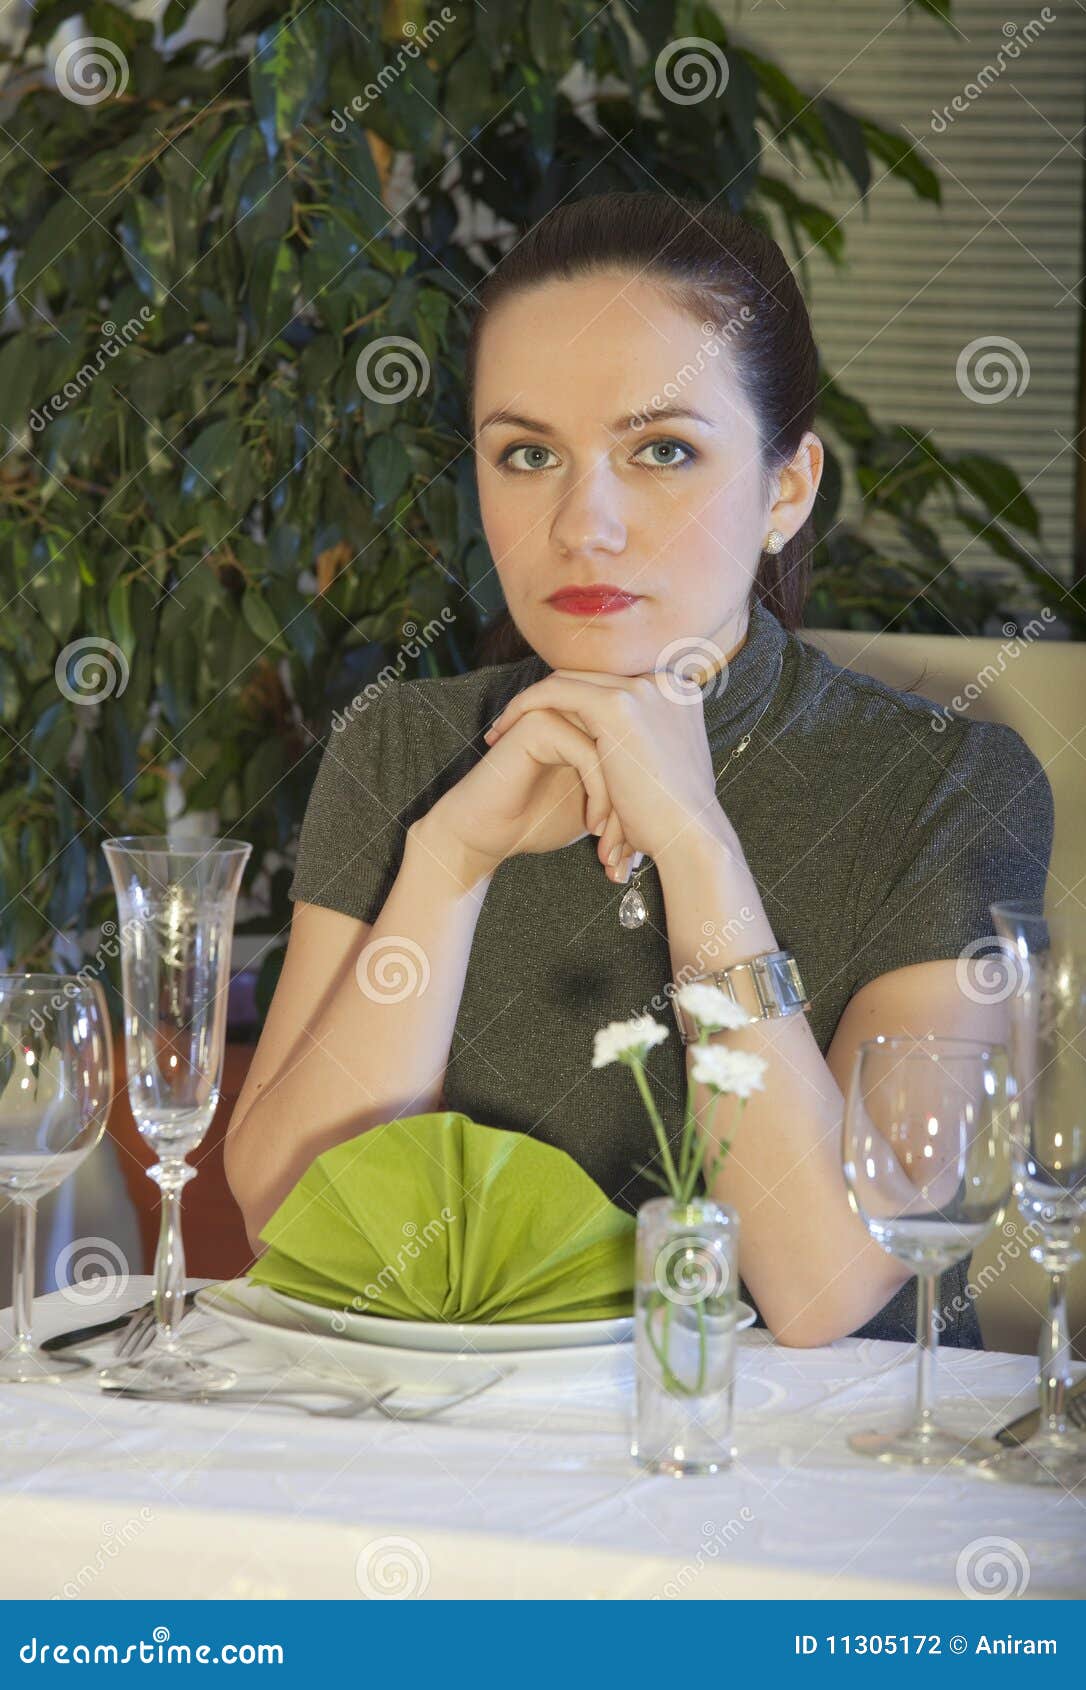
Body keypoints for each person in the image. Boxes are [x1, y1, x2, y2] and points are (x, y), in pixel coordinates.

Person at [224, 191, 1053, 1348]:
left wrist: (700, 850)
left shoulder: (952, 780)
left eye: (662, 450)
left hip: (808, 1485)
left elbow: (818, 1286)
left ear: (787, 488)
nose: (585, 523)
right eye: (527, 454)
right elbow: (288, 1210)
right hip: (465, 1469)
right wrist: (449, 862)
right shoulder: (408, 743)